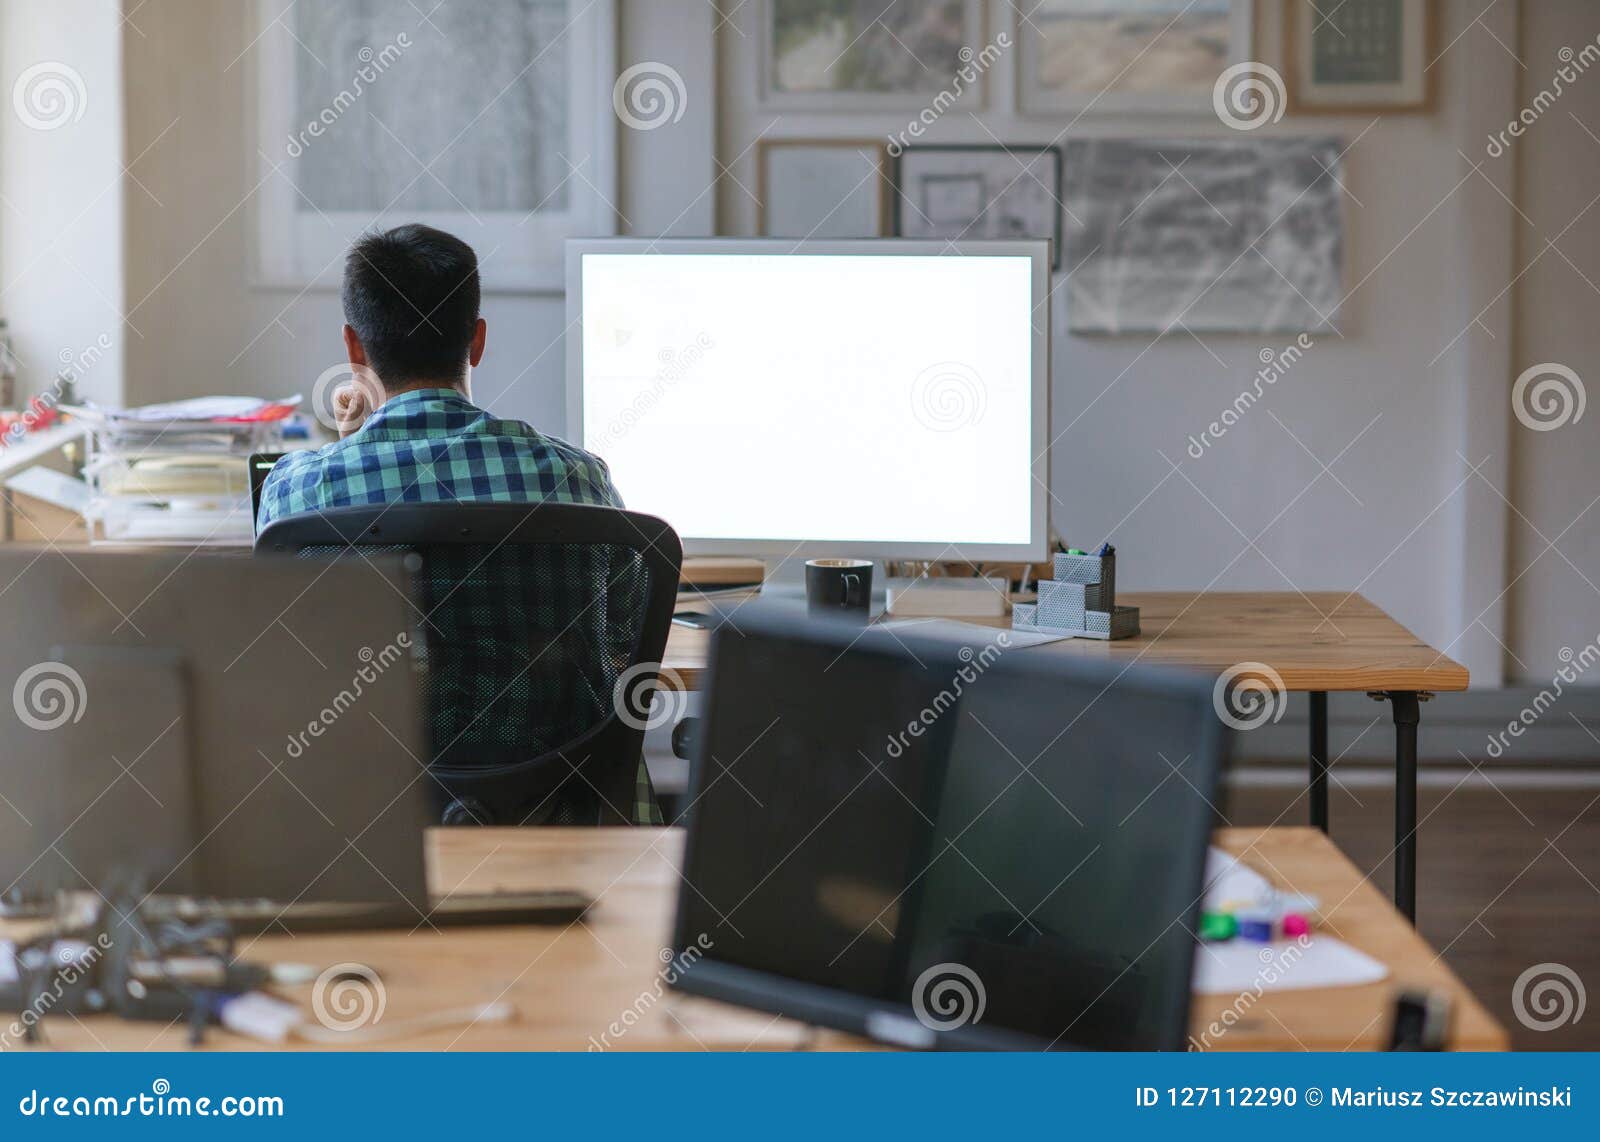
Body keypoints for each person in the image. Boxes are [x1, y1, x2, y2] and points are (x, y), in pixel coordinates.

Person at [259, 223, 658, 825]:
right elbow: (623, 631)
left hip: (364, 828)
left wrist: (346, 453)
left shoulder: (298, 492)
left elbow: (290, 658)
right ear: (476, 342)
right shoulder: (579, 483)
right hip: (551, 829)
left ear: (354, 349)